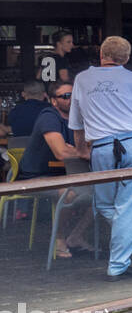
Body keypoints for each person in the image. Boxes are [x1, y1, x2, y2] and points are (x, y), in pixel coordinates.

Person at [68, 35, 132, 281]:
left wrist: (81, 148)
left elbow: (76, 120)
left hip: (102, 147)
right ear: (126, 59)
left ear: (101, 54)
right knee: (128, 206)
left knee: (105, 204)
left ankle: (119, 265)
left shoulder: (83, 79)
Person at [18, 82, 92, 258]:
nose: (71, 100)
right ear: (53, 101)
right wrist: (79, 151)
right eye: (65, 97)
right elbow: (61, 153)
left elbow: (91, 147)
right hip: (36, 176)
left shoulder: (80, 118)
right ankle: (58, 238)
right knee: (70, 193)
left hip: (63, 175)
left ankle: (76, 235)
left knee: (105, 191)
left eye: (74, 96)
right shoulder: (49, 117)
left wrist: (77, 151)